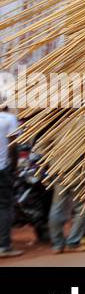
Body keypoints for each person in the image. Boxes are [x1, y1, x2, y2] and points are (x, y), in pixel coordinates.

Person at [47, 159, 85, 254]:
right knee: (84, 207)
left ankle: (57, 245)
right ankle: (73, 242)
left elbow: (41, 149)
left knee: (57, 208)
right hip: (78, 172)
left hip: (57, 170)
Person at [0, 100, 22, 258]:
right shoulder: (8, 119)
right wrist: (13, 167)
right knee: (4, 207)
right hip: (2, 168)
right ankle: (4, 246)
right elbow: (13, 145)